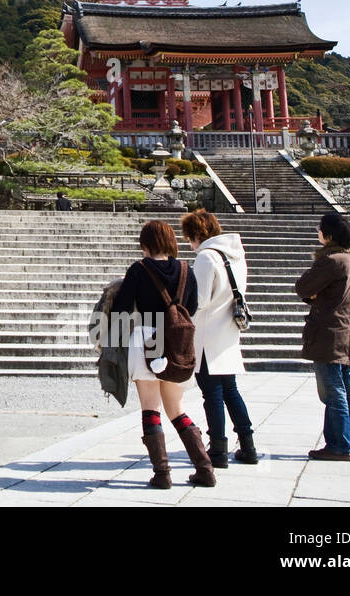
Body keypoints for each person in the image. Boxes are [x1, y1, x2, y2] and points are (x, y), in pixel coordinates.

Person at [112, 220, 216, 488]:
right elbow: (191, 307)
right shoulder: (186, 270)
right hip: (176, 343)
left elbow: (121, 309)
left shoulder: (139, 269)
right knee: (176, 408)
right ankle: (204, 468)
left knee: (150, 407)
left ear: (146, 243)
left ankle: (162, 473)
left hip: (147, 337)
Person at [295, 212, 350, 462]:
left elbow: (303, 287)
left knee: (333, 391)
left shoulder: (331, 260)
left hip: (328, 333)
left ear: (329, 235)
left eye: (320, 229)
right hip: (344, 332)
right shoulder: (349, 259)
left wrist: (313, 296)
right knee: (349, 390)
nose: (317, 232)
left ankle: (339, 445)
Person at [180, 209, 257, 467]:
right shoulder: (236, 255)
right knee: (231, 391)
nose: (189, 243)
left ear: (197, 234)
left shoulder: (205, 257)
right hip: (228, 332)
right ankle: (248, 445)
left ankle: (218, 450)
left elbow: (199, 301)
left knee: (211, 394)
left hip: (207, 334)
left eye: (189, 237)